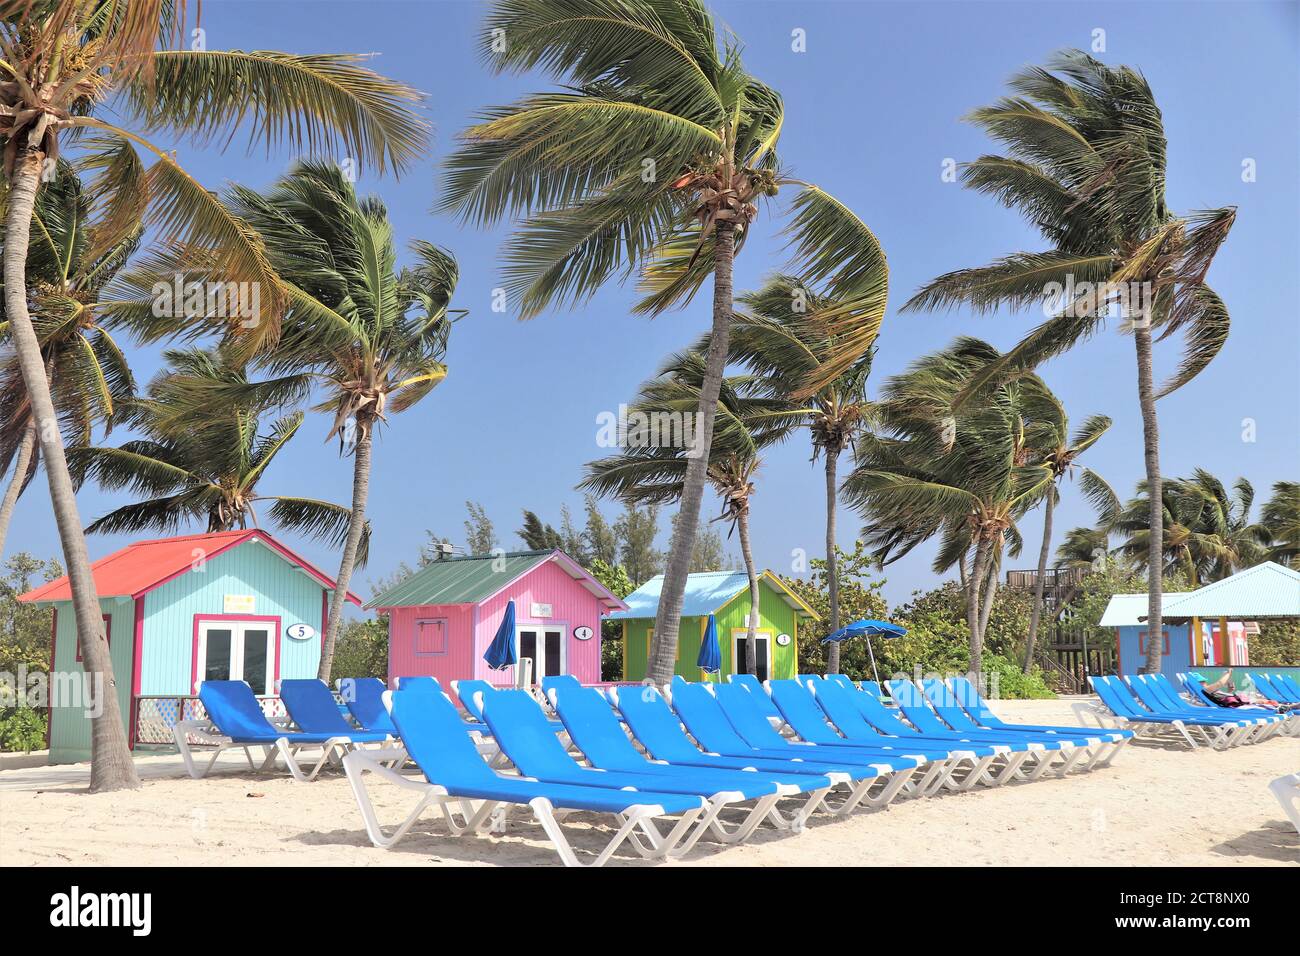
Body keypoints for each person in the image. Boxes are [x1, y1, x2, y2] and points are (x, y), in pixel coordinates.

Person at [1199, 668, 1298, 713]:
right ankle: (1287, 707)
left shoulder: (1210, 691)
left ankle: (1288, 707)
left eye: (1203, 681)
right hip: (1238, 705)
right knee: (1265, 705)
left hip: (1239, 702)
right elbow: (1219, 683)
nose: (1204, 682)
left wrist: (1229, 689)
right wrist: (1228, 673)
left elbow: (1221, 697)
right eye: (1202, 681)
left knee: (1265, 702)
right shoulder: (1205, 690)